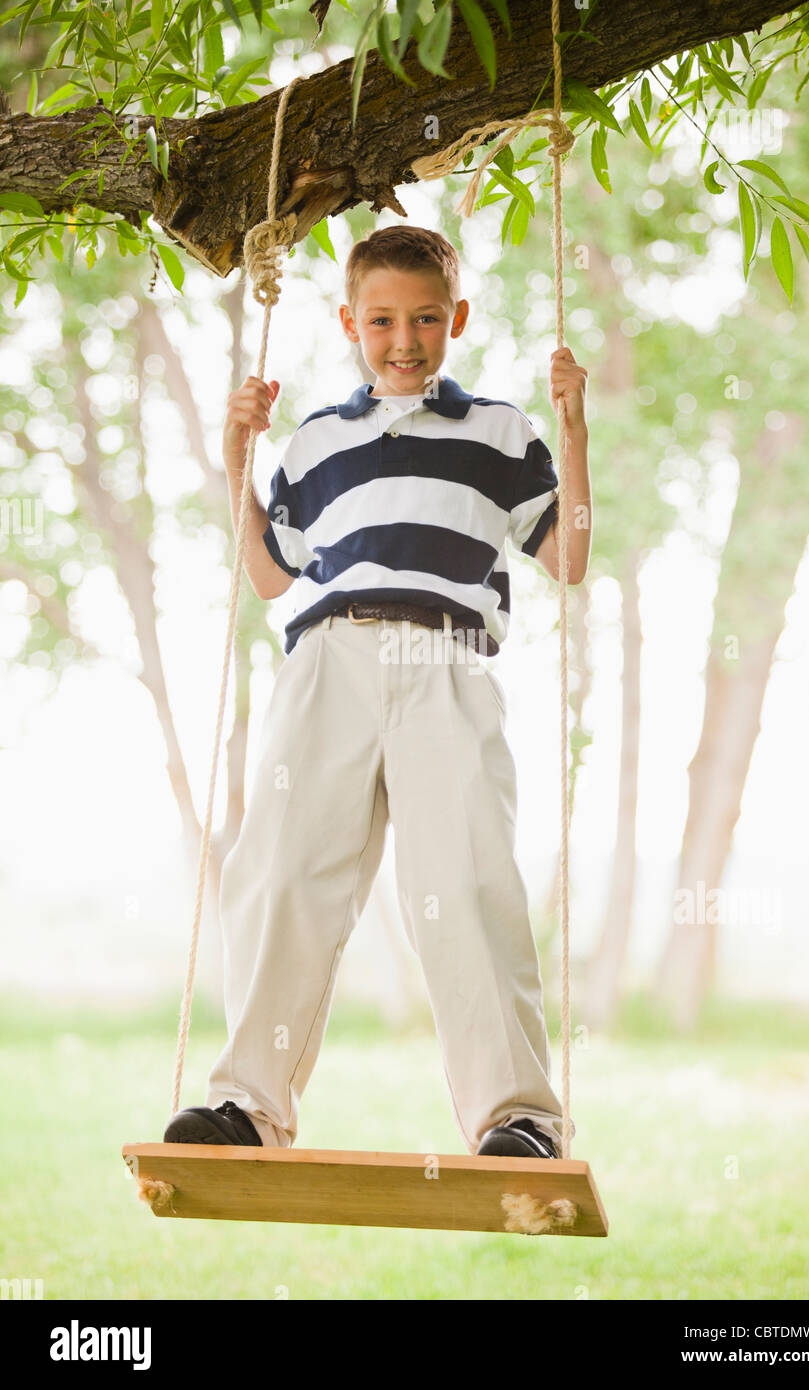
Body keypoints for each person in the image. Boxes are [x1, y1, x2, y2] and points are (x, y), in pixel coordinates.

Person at [164, 225, 591, 1160]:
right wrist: (236, 458)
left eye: (427, 319)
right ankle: (247, 1106)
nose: (406, 339)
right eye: (384, 320)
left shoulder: (501, 432)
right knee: (280, 871)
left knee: (467, 881)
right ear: (351, 321)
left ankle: (517, 1116)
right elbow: (271, 575)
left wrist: (574, 429)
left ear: (458, 319)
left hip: (446, 661)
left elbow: (573, 555)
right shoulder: (320, 439)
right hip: (332, 660)